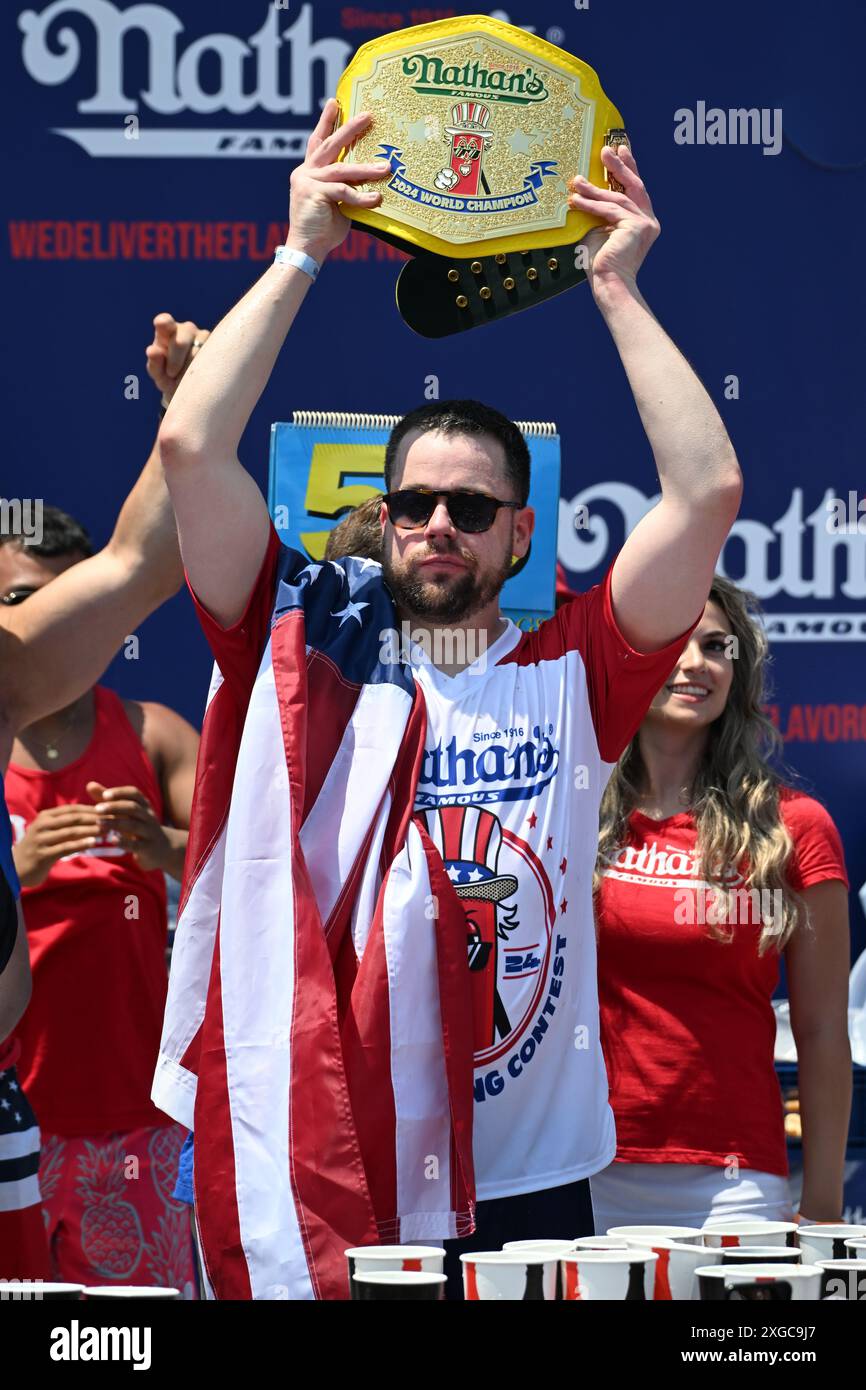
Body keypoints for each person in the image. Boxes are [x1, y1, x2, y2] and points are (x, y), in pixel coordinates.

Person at [154, 98, 743, 1300]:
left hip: (529, 1178)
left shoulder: (572, 672)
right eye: (414, 502)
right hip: (342, 1149)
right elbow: (191, 457)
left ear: (518, 534)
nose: (437, 527)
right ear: (378, 512)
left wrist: (616, 287)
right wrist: (302, 248)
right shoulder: (301, 646)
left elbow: (705, 491)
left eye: (470, 510)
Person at [0, 311, 206, 1281]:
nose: (22, 615)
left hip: (105, 1118)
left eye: (32, 597)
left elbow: (137, 566)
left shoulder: (16, 682)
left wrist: (185, 413)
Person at [591, 577, 852, 1231]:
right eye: (674, 641)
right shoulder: (570, 811)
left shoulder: (794, 827)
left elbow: (822, 1033)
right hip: (580, 1171)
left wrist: (821, 1205)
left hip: (734, 1185)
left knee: (731, 1342)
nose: (695, 663)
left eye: (716, 646)